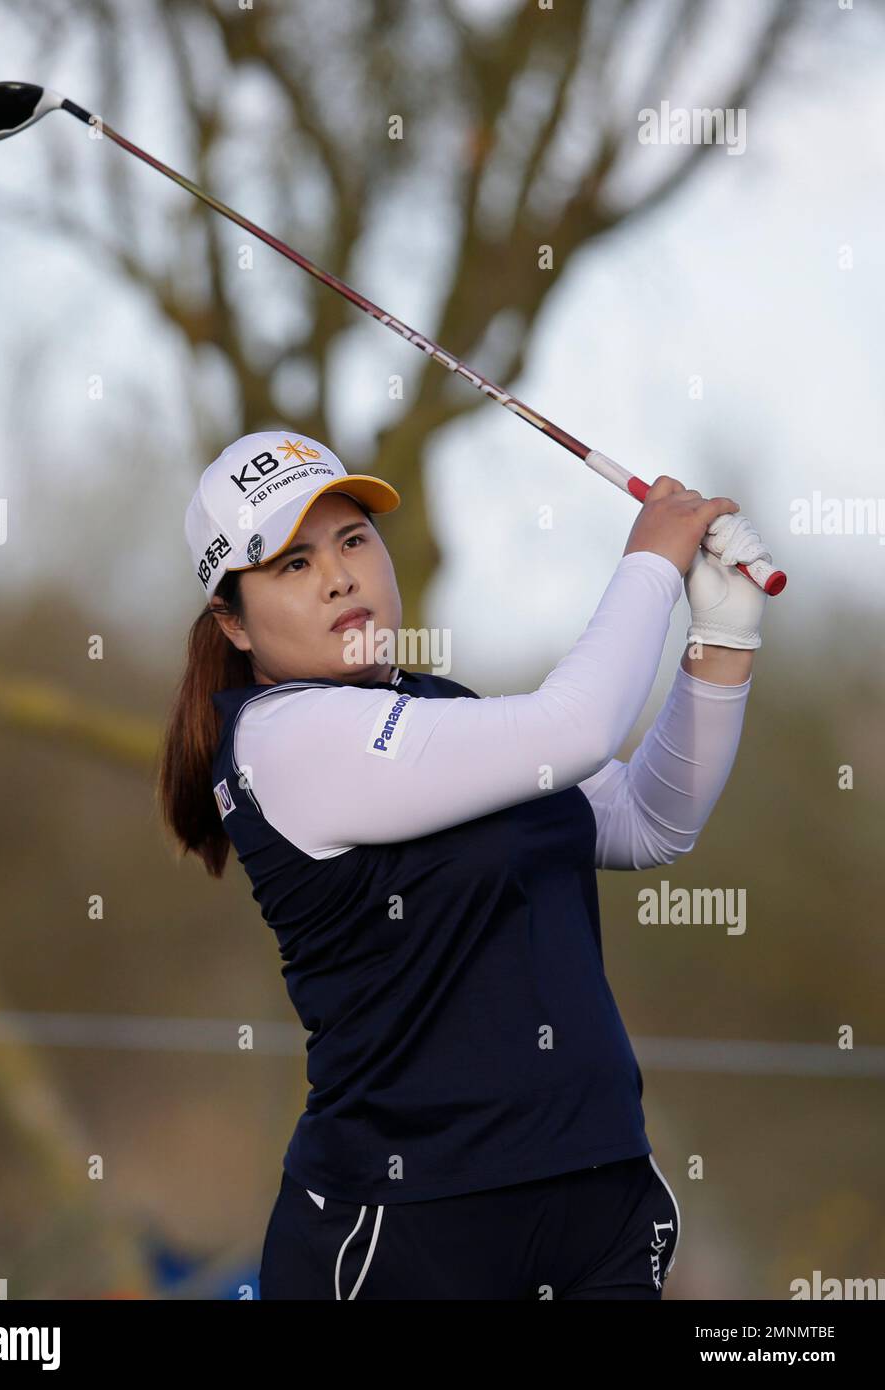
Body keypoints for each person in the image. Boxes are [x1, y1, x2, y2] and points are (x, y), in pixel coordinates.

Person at [158, 429, 772, 1300]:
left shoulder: (441, 709)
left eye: (353, 540)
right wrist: (649, 566)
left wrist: (722, 634)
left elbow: (647, 820)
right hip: (408, 1241)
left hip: (596, 1207)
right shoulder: (279, 738)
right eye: (292, 565)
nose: (339, 576)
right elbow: (574, 727)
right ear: (233, 620)